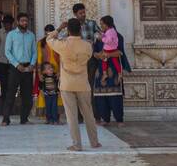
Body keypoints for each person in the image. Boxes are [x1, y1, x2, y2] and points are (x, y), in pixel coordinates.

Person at [46, 19, 101, 151]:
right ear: (80, 30)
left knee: (72, 116)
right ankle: (94, 142)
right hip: (82, 83)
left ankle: (77, 144)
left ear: (68, 30)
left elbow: (48, 38)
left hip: (67, 84)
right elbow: (88, 56)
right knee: (88, 114)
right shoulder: (87, 46)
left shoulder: (63, 44)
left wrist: (59, 28)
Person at [1, 13, 37, 126]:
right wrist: (17, 65)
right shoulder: (11, 35)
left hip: (28, 68)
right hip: (15, 68)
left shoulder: (31, 35)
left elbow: (35, 51)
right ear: (17, 22)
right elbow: (7, 52)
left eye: (26, 21)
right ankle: (6, 119)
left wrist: (32, 64)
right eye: (22, 21)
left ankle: (24, 119)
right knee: (11, 94)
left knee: (27, 95)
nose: (24, 23)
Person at [93, 19, 129, 125]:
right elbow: (94, 52)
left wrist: (108, 55)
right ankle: (106, 119)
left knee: (115, 96)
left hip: (114, 69)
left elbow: (120, 52)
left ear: (108, 24)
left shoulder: (117, 36)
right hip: (100, 69)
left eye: (102, 24)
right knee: (100, 97)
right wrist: (98, 55)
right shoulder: (99, 38)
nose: (101, 26)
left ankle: (119, 120)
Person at [35, 24, 62, 122]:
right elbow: (39, 59)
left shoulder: (58, 42)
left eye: (50, 33)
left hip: (56, 72)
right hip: (45, 71)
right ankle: (47, 117)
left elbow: (61, 58)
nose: (48, 35)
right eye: (46, 33)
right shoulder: (41, 43)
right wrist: (39, 73)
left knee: (57, 95)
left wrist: (59, 71)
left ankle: (56, 117)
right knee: (44, 94)